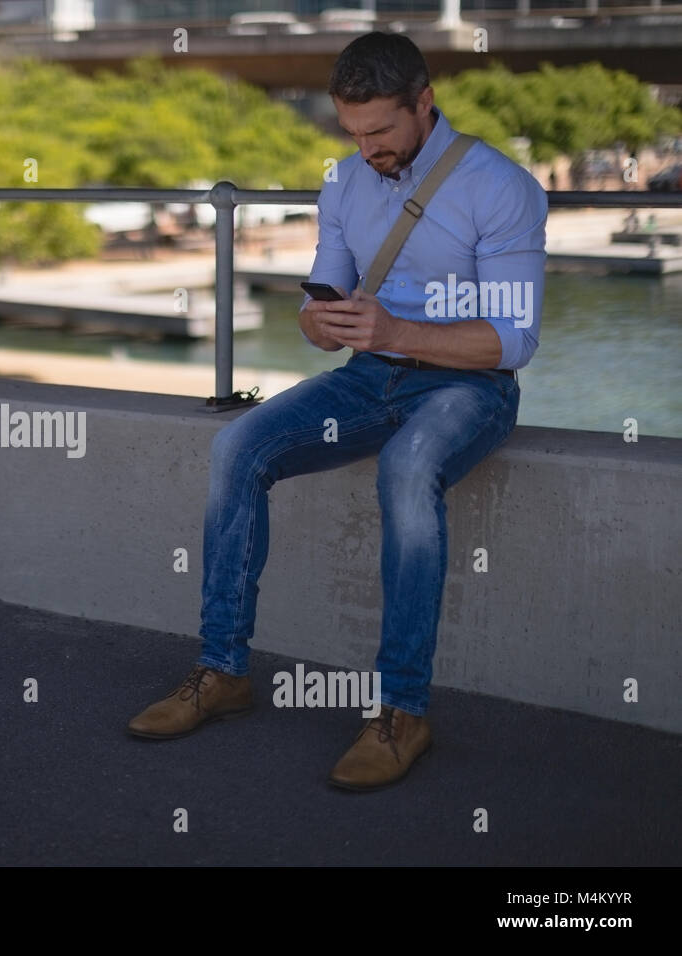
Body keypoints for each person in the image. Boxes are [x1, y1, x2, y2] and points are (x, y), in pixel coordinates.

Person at [127, 32, 548, 791]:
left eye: (381, 131)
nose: (367, 149)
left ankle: (401, 711)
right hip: (367, 377)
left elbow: (514, 341)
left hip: (470, 388)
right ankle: (222, 671)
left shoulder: (500, 186)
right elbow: (324, 293)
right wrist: (316, 322)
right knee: (238, 448)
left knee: (408, 466)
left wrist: (399, 332)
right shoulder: (346, 182)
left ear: (424, 102)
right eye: (352, 134)